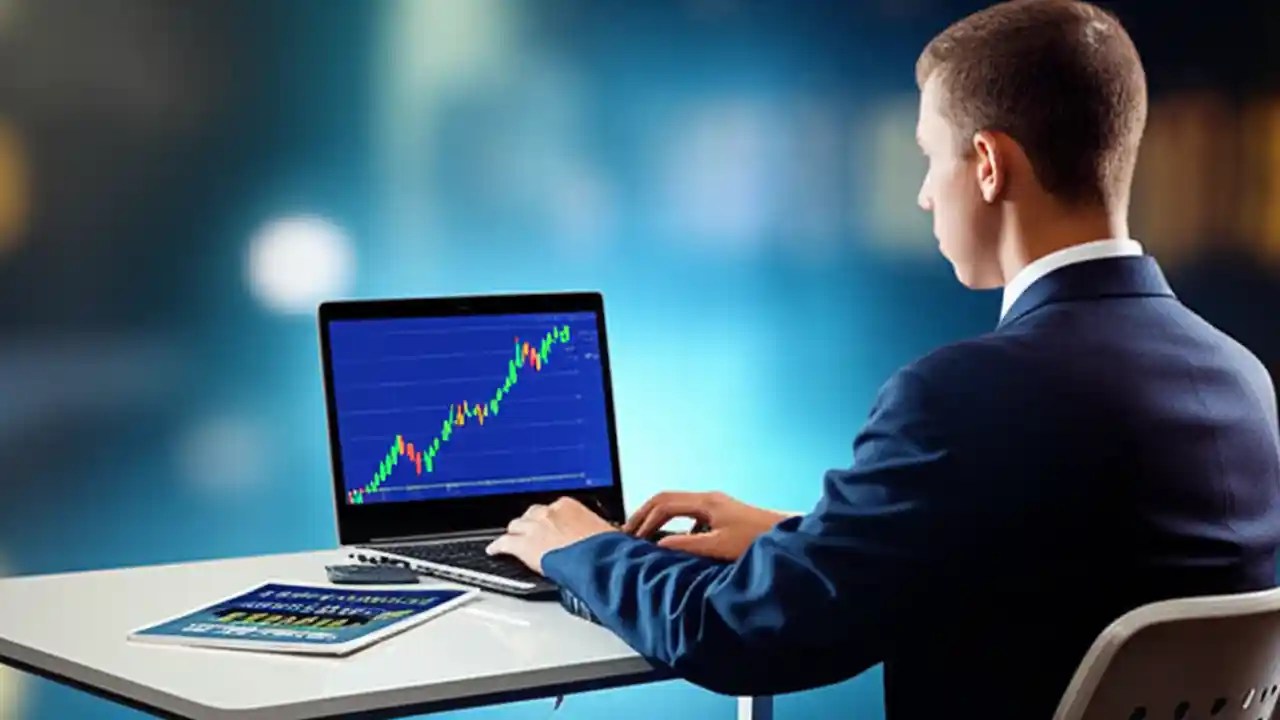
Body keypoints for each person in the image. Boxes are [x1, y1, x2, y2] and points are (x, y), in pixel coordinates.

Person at [486, 0, 1280, 716]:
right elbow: (1050, 568)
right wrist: (798, 536)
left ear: (990, 164)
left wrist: (580, 548)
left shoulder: (962, 395)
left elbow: (741, 633)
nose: (925, 194)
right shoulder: (1244, 383)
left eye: (929, 158)